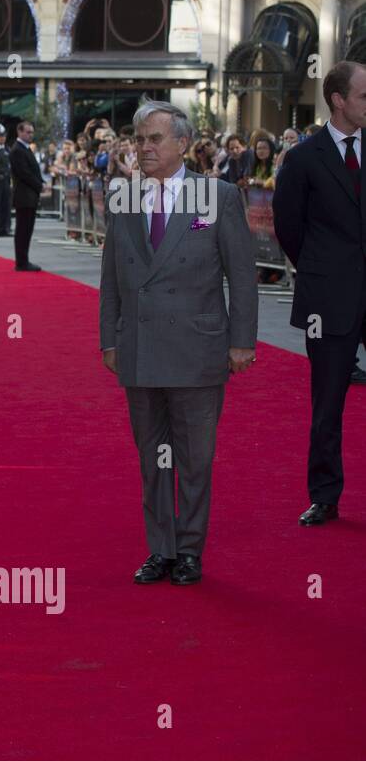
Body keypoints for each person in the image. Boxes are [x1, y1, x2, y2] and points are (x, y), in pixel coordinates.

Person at [99, 100, 258, 585]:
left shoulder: (219, 196)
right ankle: (161, 549)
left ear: (182, 145)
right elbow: (112, 277)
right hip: (141, 349)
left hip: (198, 349)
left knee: (193, 459)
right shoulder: (122, 198)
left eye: (154, 139)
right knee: (153, 458)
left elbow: (243, 276)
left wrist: (242, 341)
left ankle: (190, 550)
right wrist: (110, 338)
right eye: (139, 139)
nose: (143, 148)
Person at [273, 60, 366, 526]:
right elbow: (288, 227)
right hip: (328, 300)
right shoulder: (305, 158)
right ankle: (325, 496)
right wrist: (320, 269)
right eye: (364, 96)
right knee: (327, 403)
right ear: (338, 100)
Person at [10, 120, 45, 272]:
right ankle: (21, 262)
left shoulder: (25, 149)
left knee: (26, 229)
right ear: (20, 132)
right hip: (24, 195)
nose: (31, 135)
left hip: (29, 195)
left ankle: (23, 260)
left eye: (32, 132)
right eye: (28, 132)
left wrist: (40, 182)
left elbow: (33, 171)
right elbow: (24, 173)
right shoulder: (18, 150)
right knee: (23, 230)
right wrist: (40, 185)